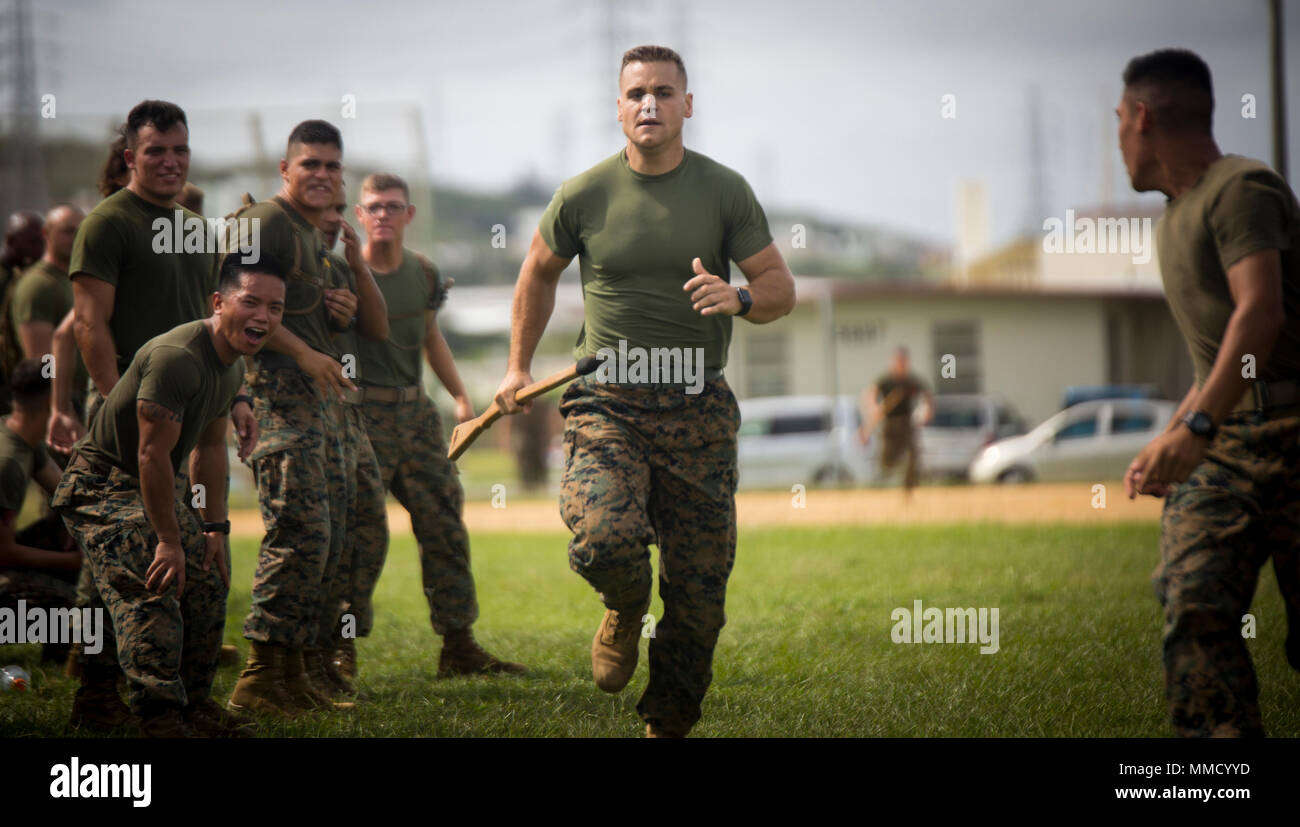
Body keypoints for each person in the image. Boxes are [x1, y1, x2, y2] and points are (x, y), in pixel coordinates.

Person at [492, 45, 795, 737]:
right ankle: (626, 606)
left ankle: (667, 722)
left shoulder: (725, 190)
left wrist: (739, 294)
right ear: (619, 107)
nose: (649, 104)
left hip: (698, 407)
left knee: (698, 595)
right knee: (604, 536)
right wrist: (517, 366)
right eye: (636, 94)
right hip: (609, 402)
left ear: (689, 105)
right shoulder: (583, 194)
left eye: (664, 92)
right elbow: (537, 272)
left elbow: (781, 289)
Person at [1118, 48, 1300, 737]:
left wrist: (1194, 426)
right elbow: (1222, 350)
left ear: (1141, 117)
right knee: (1193, 602)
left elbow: (1262, 313)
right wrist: (1174, 434)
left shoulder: (1242, 188)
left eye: (1117, 120)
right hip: (1226, 443)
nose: (1118, 139)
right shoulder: (1173, 219)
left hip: (1291, 426)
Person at [52, 253, 288, 737]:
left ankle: (191, 705)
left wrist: (213, 528)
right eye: (251, 302)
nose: (263, 317)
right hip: (100, 483)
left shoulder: (233, 366)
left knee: (206, 576)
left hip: (147, 483)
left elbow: (208, 451)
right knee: (155, 577)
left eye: (276, 308)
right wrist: (168, 539)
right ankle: (158, 716)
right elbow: (150, 457)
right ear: (219, 302)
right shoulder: (178, 358)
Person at [226, 120, 387, 716]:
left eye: (332, 166)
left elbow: (367, 328)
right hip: (280, 400)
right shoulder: (264, 222)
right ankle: (261, 676)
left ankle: (300, 670)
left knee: (337, 539)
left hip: (325, 406)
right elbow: (231, 304)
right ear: (285, 170)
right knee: (299, 538)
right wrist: (303, 351)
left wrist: (338, 307)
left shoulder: (312, 242)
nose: (322, 175)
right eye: (310, 164)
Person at [354, 172, 523, 677]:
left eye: (392, 206)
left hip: (417, 414)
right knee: (361, 534)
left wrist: (460, 396)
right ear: (359, 216)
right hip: (362, 416)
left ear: (410, 215)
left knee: (445, 526)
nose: (383, 214)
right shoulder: (342, 274)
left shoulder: (424, 272)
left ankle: (459, 646)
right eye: (373, 206)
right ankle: (338, 649)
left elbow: (430, 338)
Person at [316, 185, 387, 684]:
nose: (334, 219)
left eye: (340, 210)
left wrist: (358, 267)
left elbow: (379, 330)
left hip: (347, 414)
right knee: (312, 542)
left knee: (367, 533)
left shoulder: (339, 266)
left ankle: (340, 641)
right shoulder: (277, 255)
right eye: (325, 210)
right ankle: (297, 660)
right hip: (299, 414)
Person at [0, 360, 80, 664]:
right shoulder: (7, 464)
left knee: (64, 528)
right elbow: (3, 554)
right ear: (51, 402)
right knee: (81, 608)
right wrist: (73, 561)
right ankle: (65, 641)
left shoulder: (19, 435)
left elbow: (68, 498)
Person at [8, 205, 89, 424]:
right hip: (61, 406)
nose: (76, 237)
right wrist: (61, 410)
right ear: (47, 234)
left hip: (83, 400)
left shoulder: (73, 278)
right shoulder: (38, 285)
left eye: (81, 231)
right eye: (68, 231)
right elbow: (41, 362)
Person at [858, 347, 933, 496]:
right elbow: (870, 394)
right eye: (898, 361)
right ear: (893, 362)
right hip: (889, 426)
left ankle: (908, 491)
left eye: (903, 361)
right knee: (887, 461)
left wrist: (927, 411)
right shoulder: (886, 381)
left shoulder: (912, 382)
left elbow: (928, 397)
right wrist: (874, 408)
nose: (901, 364)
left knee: (913, 456)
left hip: (906, 424)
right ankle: (879, 485)